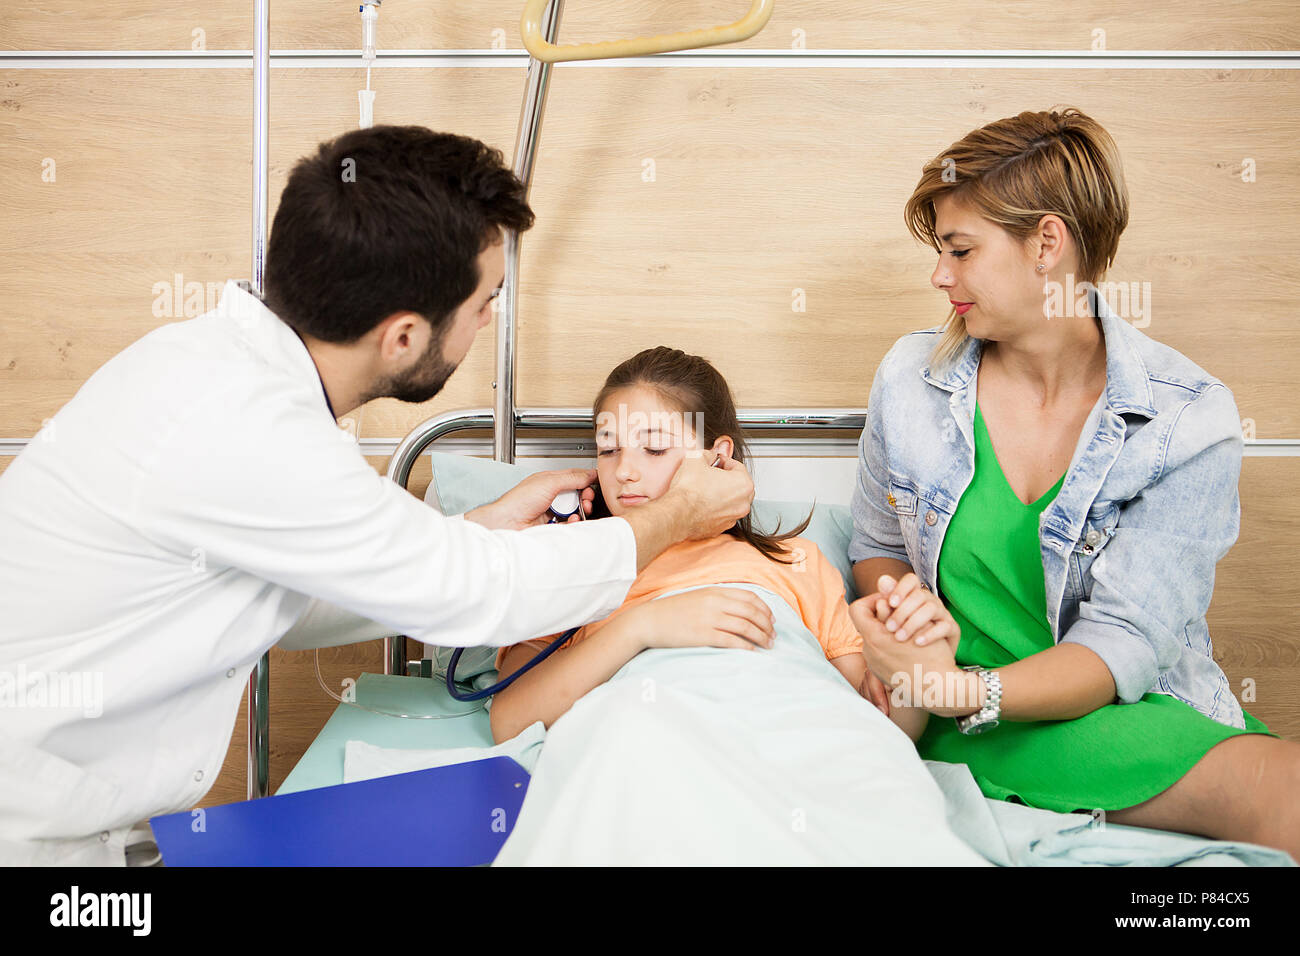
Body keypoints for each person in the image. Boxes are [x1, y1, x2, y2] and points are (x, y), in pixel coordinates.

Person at [0, 126, 754, 865]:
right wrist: (674, 515)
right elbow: (475, 594)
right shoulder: (246, 427)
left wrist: (482, 527)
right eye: (485, 303)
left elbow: (300, 587)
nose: (490, 321)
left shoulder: (236, 382)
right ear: (402, 337)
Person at [846, 107, 1300, 861]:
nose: (939, 274)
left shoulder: (1189, 421)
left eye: (960, 250)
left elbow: (1122, 647)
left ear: (1046, 244)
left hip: (1105, 709)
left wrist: (968, 694)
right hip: (952, 713)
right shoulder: (909, 378)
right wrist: (910, 623)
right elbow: (877, 544)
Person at [487, 347, 985, 865]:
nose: (624, 472)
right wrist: (640, 626)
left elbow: (883, 725)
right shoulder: (576, 564)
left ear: (718, 458)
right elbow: (512, 718)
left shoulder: (795, 561)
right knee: (638, 737)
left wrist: (911, 666)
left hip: (804, 733)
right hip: (652, 730)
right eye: (607, 449)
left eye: (654, 449)